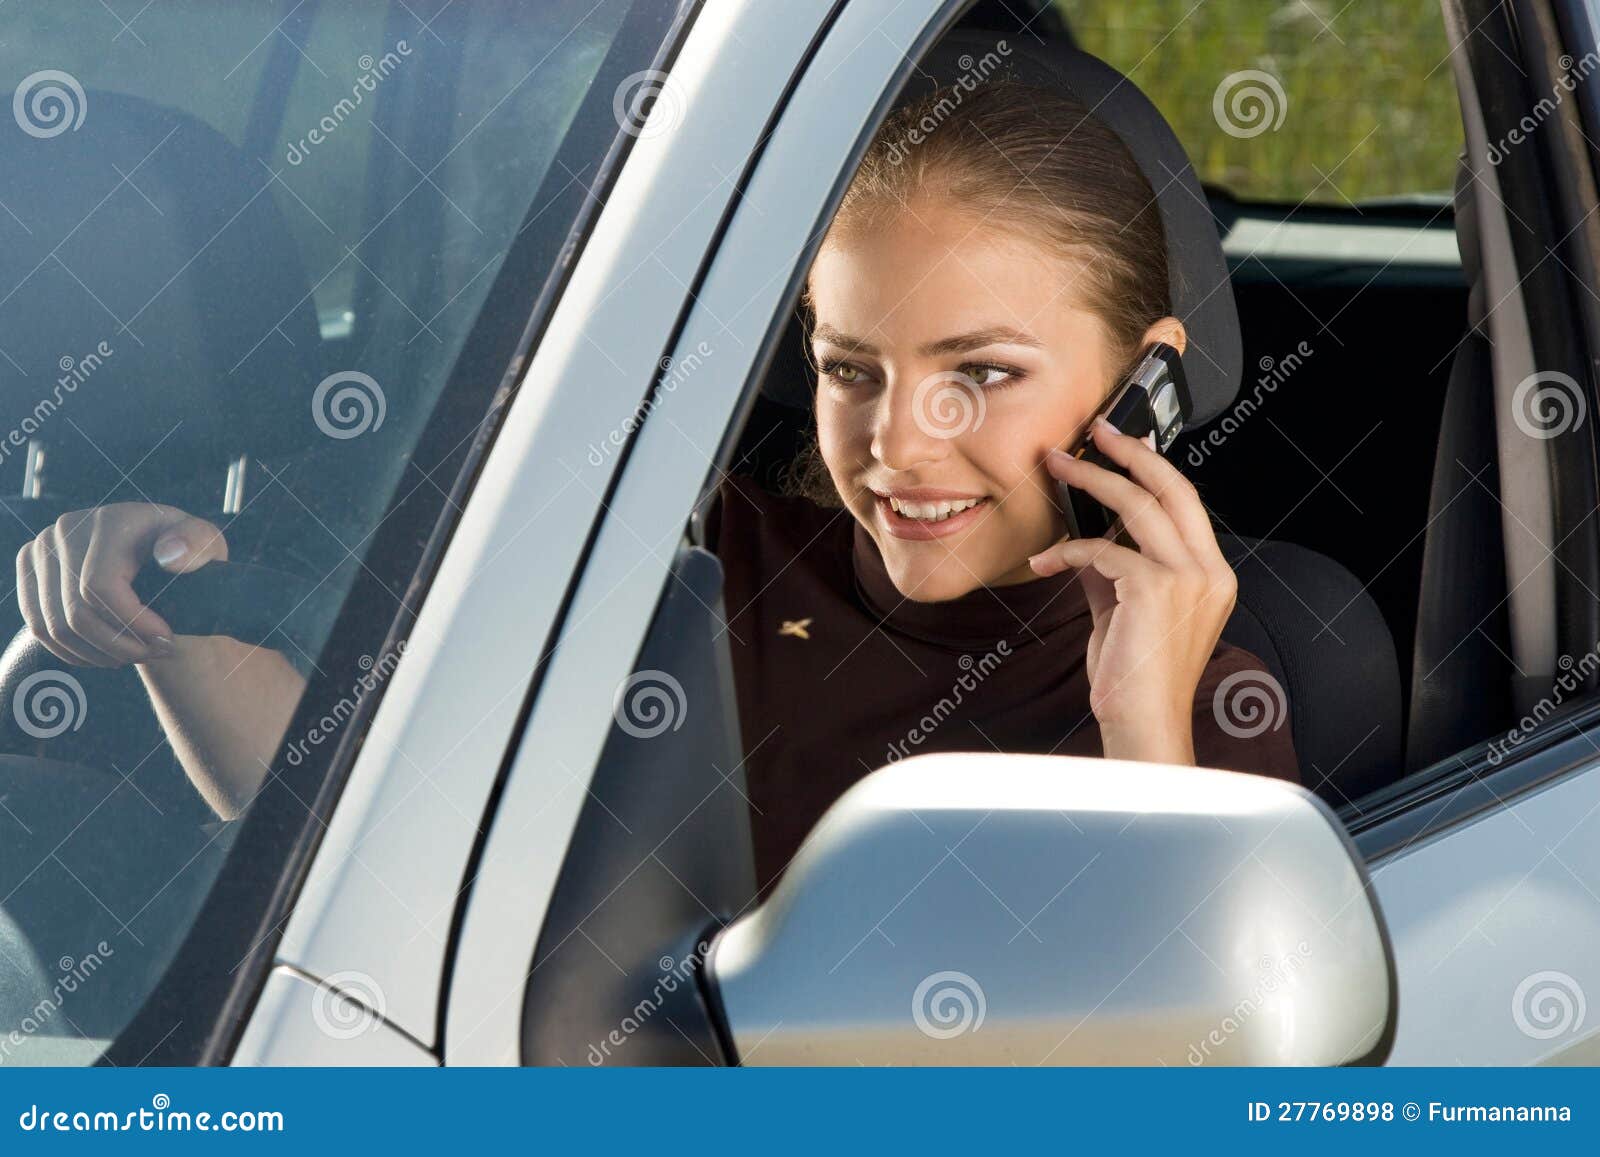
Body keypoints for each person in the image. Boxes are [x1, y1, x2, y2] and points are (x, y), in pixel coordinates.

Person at [15, 80, 1296, 899]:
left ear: (1145, 382)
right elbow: (335, 822)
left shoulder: (1198, 702)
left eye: (982, 372)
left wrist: (1142, 719)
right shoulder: (682, 546)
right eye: (851, 367)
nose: (899, 443)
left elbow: (1190, 1059)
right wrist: (156, 584)